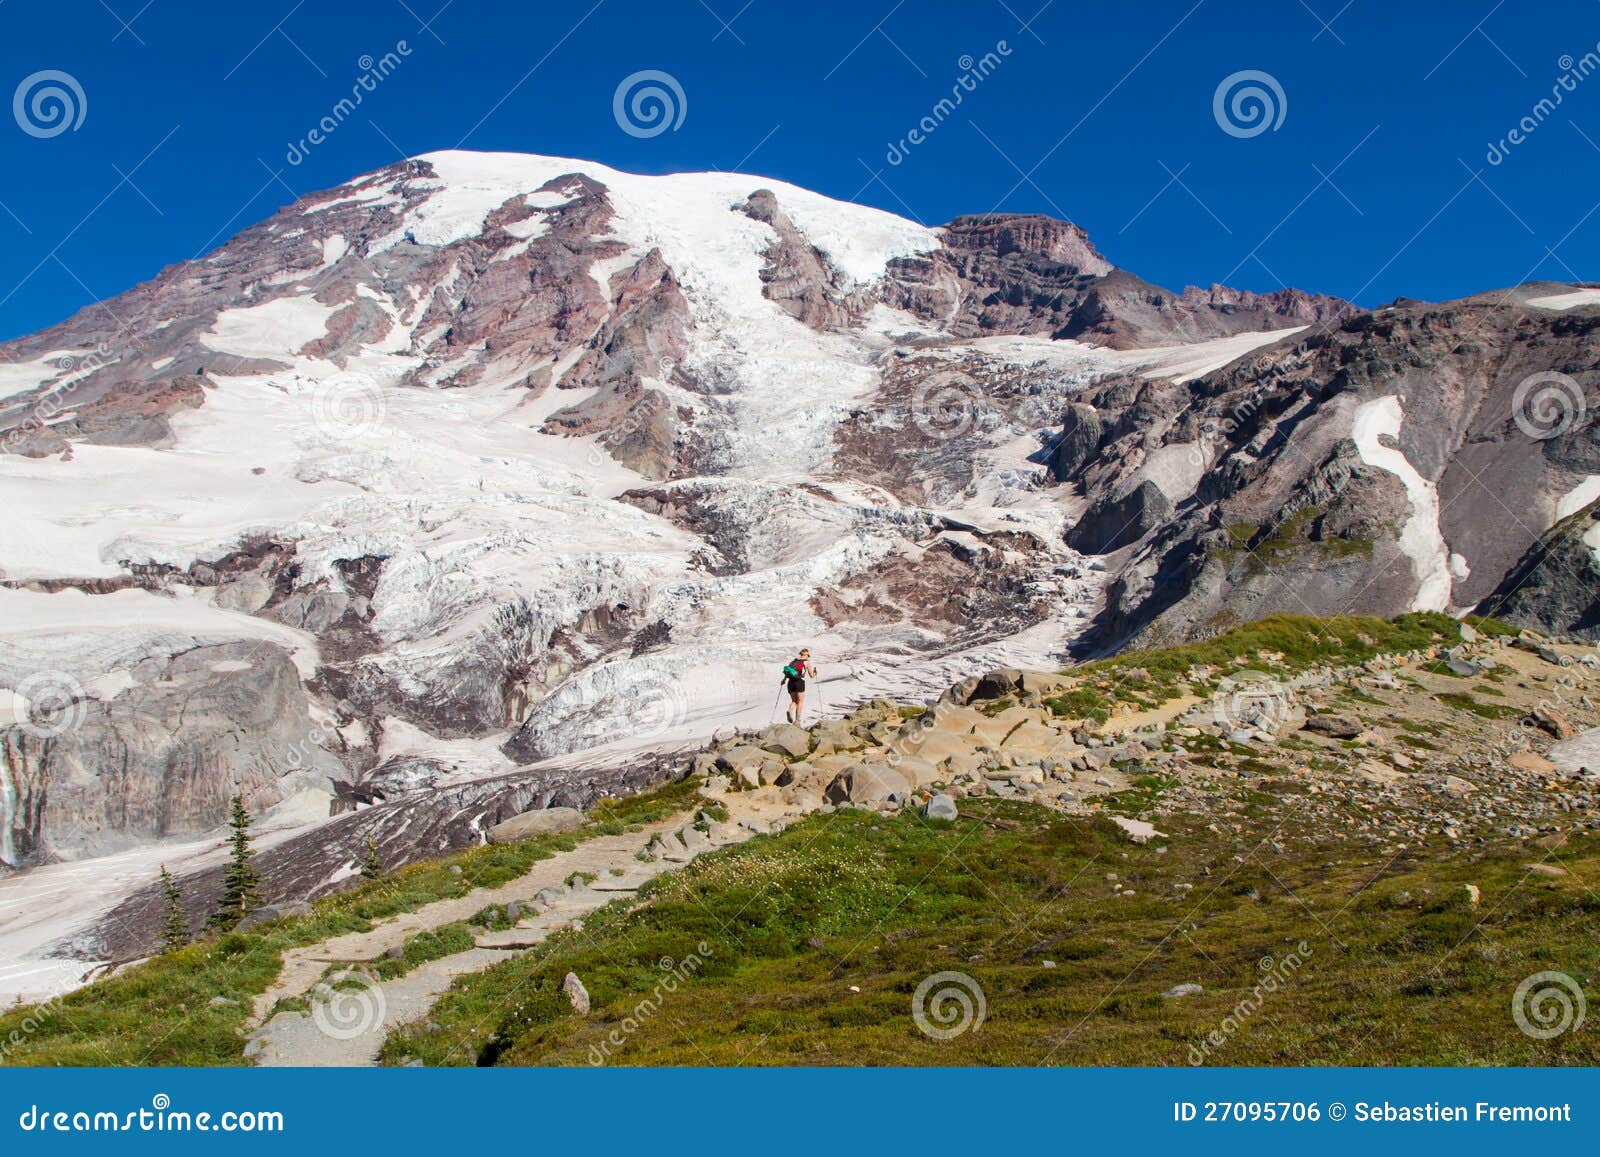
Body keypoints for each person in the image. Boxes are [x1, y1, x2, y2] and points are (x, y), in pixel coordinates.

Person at [781, 648, 817, 724]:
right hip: (799, 682)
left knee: (794, 701)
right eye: (808, 655)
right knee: (800, 701)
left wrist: (784, 680)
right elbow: (811, 675)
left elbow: (788, 673)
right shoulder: (806, 662)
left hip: (790, 682)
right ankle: (797, 720)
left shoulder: (792, 662)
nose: (808, 657)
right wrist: (815, 673)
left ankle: (790, 710)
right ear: (806, 655)